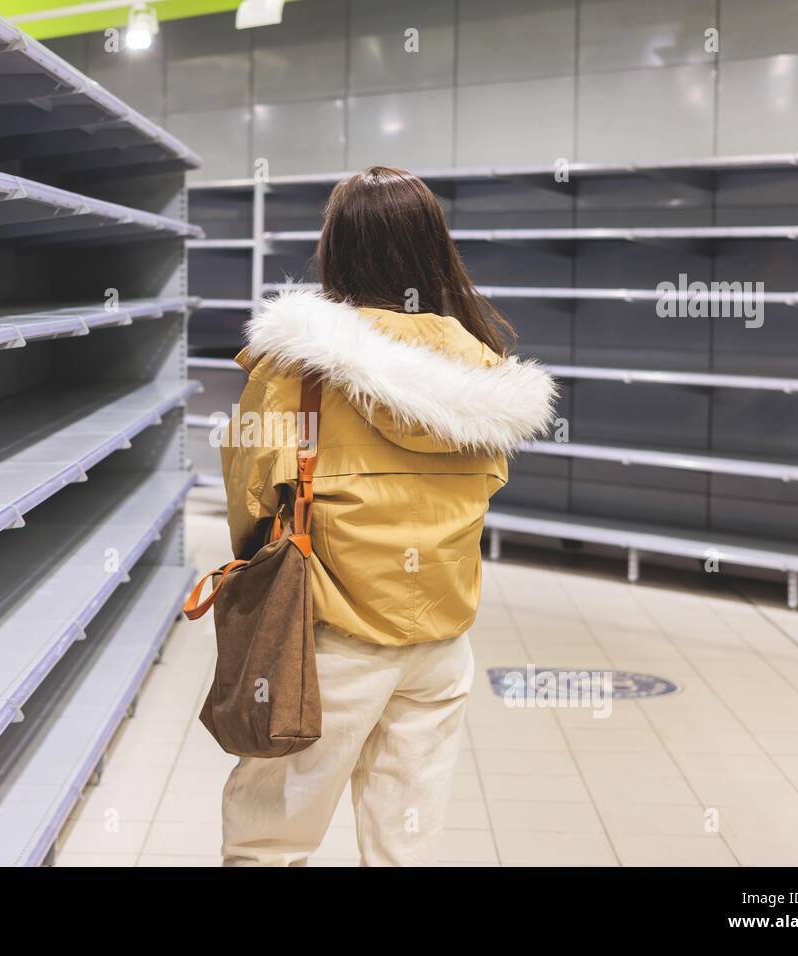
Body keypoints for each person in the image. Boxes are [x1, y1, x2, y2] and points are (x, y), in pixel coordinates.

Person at [217, 165, 557, 866]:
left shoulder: (298, 369)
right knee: (406, 841)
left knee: (271, 837)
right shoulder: (484, 372)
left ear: (336, 247)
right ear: (435, 249)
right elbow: (481, 489)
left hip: (326, 642)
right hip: (440, 641)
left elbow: (251, 498)